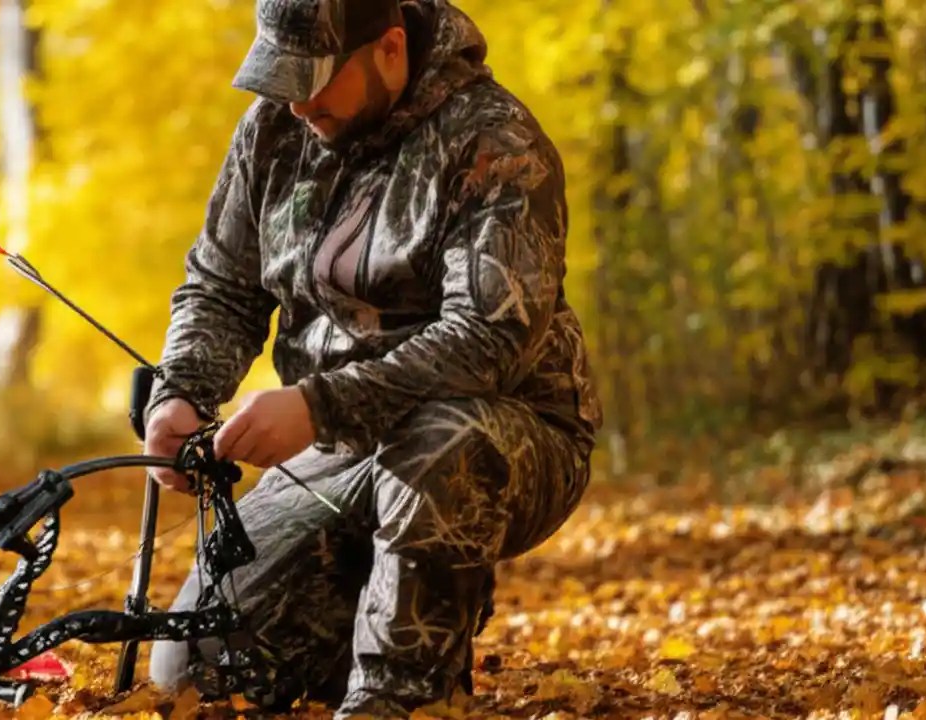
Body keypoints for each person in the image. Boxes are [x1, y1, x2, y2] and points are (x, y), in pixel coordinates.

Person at [140, 0, 602, 715]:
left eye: (317, 80)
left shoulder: (497, 141)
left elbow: (490, 340)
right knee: (197, 670)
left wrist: (318, 405)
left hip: (505, 433)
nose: (300, 104)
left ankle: (399, 694)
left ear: (390, 48)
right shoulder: (274, 129)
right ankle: (389, 594)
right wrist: (182, 395)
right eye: (283, 79)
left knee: (446, 440)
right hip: (338, 443)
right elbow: (222, 286)